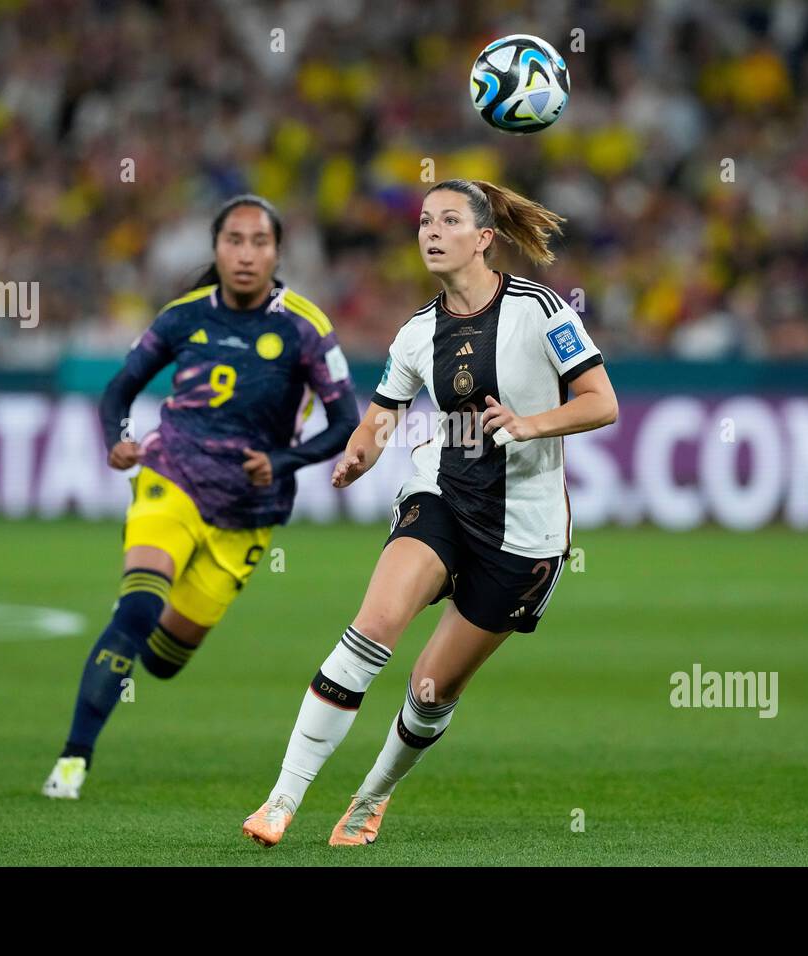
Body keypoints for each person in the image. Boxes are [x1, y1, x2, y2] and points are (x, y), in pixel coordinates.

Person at [242, 178, 618, 846]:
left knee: (430, 690)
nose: (431, 232)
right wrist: (359, 452)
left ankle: (372, 796)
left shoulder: (543, 310)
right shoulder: (417, 332)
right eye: (423, 221)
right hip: (440, 496)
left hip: (524, 535)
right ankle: (281, 799)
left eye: (448, 220)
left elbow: (600, 402)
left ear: (484, 238)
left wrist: (529, 425)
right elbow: (383, 416)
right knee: (376, 623)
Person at [42, 194, 359, 797]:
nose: (245, 254)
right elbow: (118, 390)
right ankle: (72, 761)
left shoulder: (304, 327)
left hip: (247, 512)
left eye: (259, 242)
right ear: (215, 249)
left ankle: (134, 643)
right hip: (171, 476)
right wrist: (118, 440)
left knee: (162, 659)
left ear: (277, 252)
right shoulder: (184, 316)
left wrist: (283, 461)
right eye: (234, 241)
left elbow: (346, 421)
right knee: (135, 611)